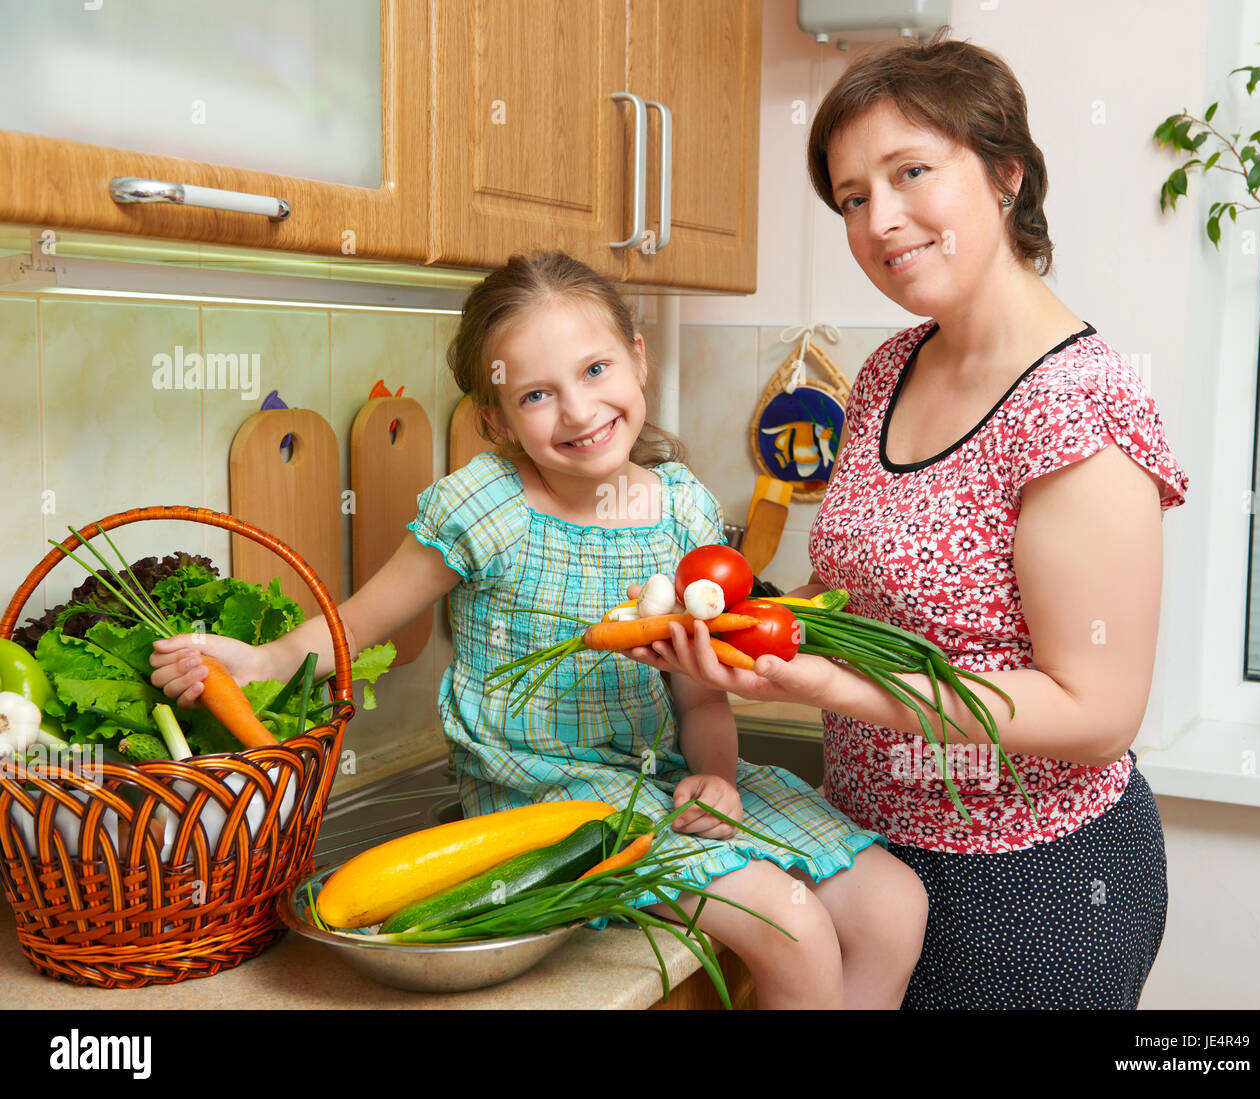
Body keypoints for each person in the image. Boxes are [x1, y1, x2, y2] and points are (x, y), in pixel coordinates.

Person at [150, 250, 928, 1010]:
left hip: (661, 775)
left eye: (595, 370)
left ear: (638, 358)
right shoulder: (483, 505)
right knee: (785, 923)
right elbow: (356, 624)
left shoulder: (683, 508)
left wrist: (718, 776)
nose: (580, 411)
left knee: (893, 908)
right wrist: (260, 661)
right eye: (536, 395)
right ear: (495, 417)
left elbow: (699, 695)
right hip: (539, 800)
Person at [624, 29, 1189, 1010]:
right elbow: (857, 600)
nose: (879, 219)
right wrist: (742, 633)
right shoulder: (889, 372)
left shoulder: (1077, 403)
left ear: (1006, 174)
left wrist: (828, 685)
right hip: (872, 858)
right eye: (851, 197)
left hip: (1034, 885)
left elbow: (1096, 713)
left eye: (909, 172)